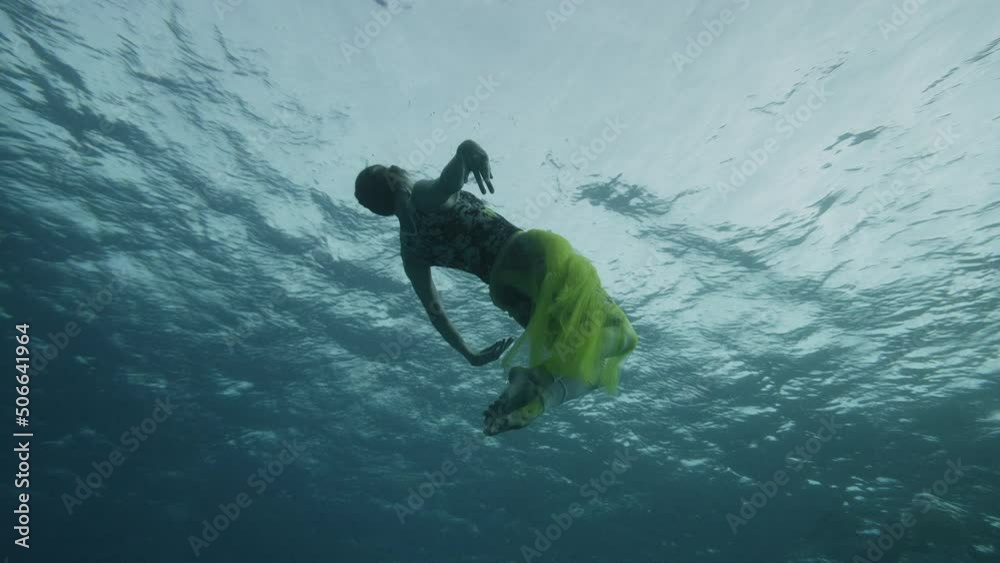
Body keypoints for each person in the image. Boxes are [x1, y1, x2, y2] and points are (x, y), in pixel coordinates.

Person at [354, 140, 637, 435]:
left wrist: (469, 353)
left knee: (589, 361)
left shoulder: (410, 251)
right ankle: (538, 377)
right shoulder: (422, 194)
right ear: (395, 178)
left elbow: (435, 311)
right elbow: (448, 182)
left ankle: (539, 401)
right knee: (622, 334)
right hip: (531, 257)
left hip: (508, 293)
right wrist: (467, 150)